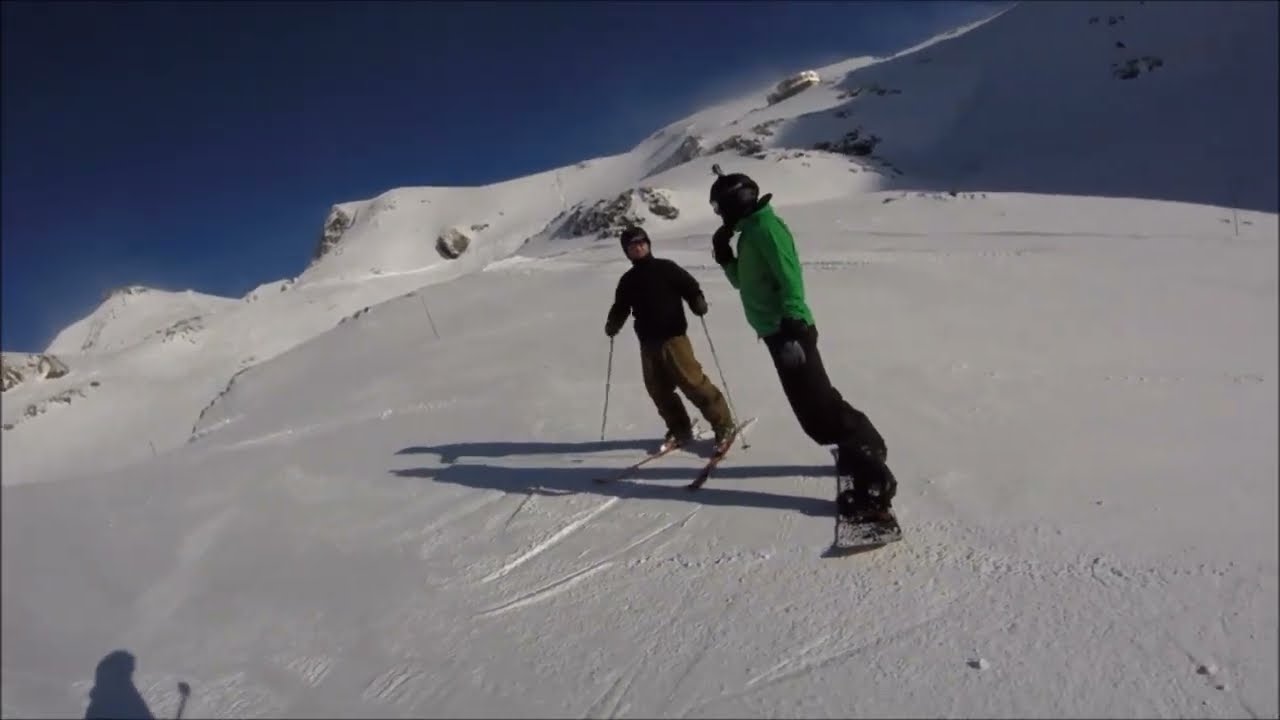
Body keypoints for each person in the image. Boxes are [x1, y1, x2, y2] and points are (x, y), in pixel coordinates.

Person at [707, 168, 898, 515]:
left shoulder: (766, 228)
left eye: (721, 209)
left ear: (736, 202)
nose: (721, 217)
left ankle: (875, 481)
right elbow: (746, 283)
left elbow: (788, 273)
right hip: (776, 333)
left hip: (788, 331)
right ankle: (866, 445)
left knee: (818, 413)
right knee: (817, 404)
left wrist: (793, 320)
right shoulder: (750, 233)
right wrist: (726, 259)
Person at [605, 226, 737, 451]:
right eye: (632, 245)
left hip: (674, 338)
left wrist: (697, 301)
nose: (638, 247)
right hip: (648, 343)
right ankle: (679, 428)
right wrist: (613, 324)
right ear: (627, 252)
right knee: (658, 389)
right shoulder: (628, 280)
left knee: (693, 383)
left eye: (641, 242)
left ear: (648, 244)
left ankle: (723, 425)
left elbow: (690, 286)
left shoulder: (666, 268)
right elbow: (621, 307)